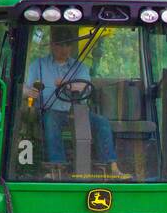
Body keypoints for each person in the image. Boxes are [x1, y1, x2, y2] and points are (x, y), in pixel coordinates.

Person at [23, 26, 127, 178]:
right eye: (60, 44)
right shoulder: (38, 65)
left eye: (67, 44)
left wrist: (67, 84)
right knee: (51, 119)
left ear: (71, 47)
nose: (64, 49)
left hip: (77, 111)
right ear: (52, 45)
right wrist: (27, 92)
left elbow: (84, 85)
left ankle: (111, 165)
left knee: (102, 122)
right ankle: (58, 168)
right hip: (48, 110)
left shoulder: (80, 67)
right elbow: (25, 87)